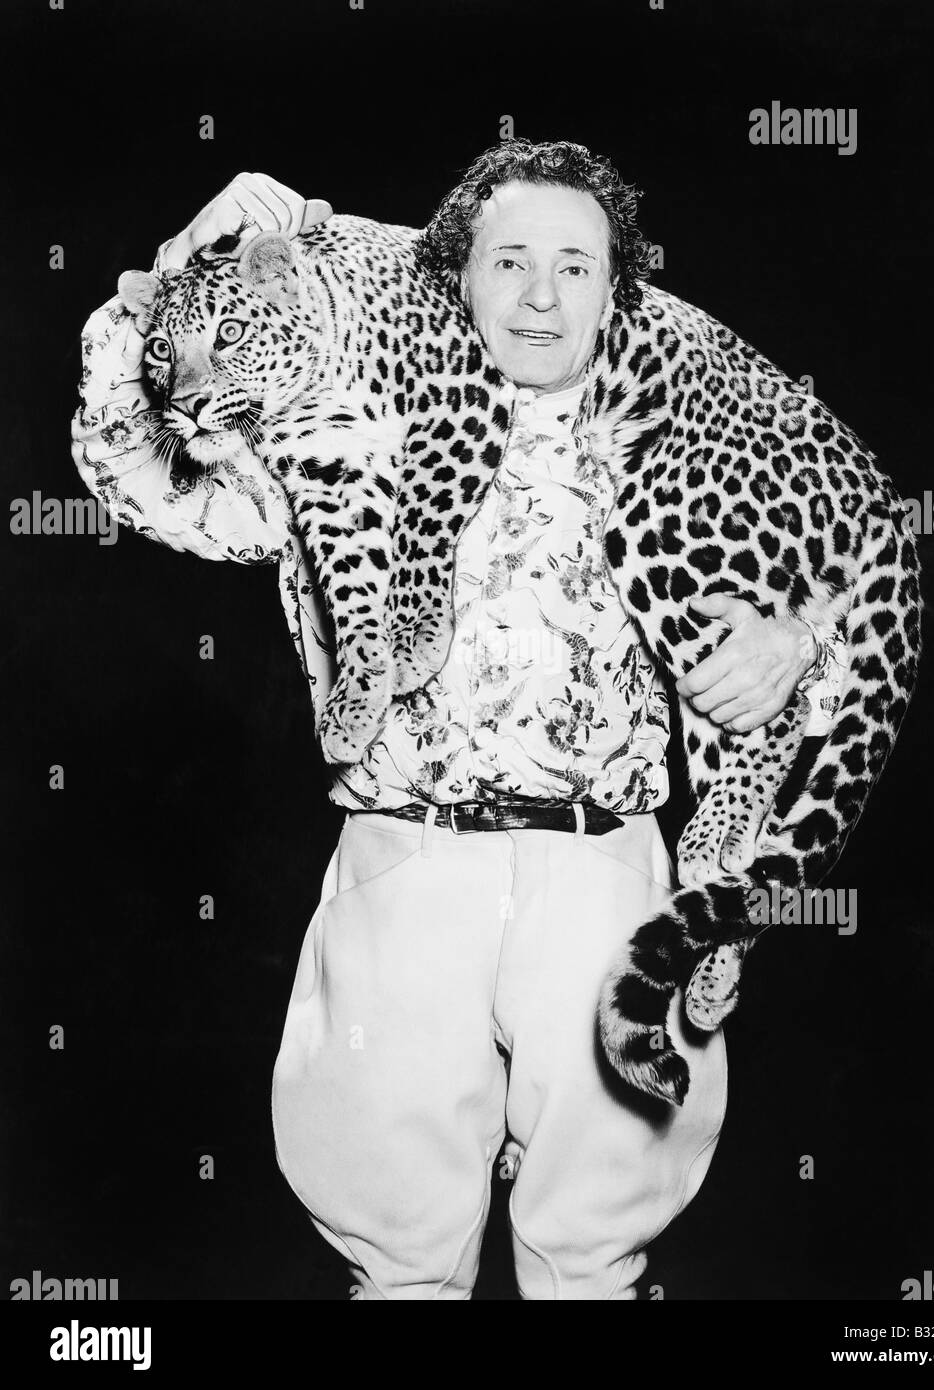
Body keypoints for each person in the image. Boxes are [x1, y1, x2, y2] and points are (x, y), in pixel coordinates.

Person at [71, 144, 846, 1300]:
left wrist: (797, 644)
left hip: (604, 877)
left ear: (613, 292)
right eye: (509, 260)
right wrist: (177, 271)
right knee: (397, 1260)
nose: (541, 294)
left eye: (575, 267)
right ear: (454, 276)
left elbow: (856, 590)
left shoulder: (686, 445)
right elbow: (129, 470)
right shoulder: (319, 419)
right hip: (405, 863)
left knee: (591, 1253)